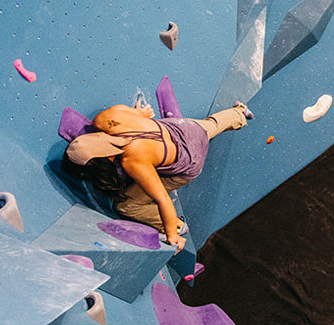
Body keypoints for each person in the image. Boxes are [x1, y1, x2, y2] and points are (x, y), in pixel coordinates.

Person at [62, 102, 248, 251]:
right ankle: (239, 113)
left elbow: (162, 199)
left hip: (189, 162)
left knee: (126, 205)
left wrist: (172, 236)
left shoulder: (132, 161)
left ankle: (177, 226)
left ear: (106, 160)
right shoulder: (106, 119)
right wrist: (140, 114)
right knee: (210, 126)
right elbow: (133, 113)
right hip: (185, 129)